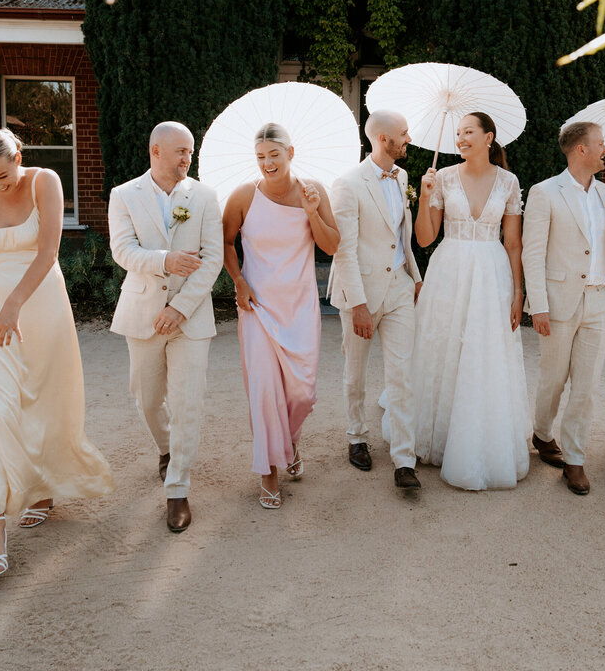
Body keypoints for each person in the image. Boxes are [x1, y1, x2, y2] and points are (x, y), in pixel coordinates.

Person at [0, 129, 113, 576]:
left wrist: (15, 302)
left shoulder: (45, 180)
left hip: (39, 302)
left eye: (3, 176)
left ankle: (43, 488)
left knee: (43, 400)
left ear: (19, 158)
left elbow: (48, 252)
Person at [108, 122, 223, 532]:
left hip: (190, 318)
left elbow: (212, 259)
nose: (185, 158)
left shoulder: (206, 196)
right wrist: (165, 260)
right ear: (155, 150)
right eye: (179, 151)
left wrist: (180, 307)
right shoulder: (123, 195)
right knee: (147, 398)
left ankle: (178, 488)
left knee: (188, 401)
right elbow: (122, 249)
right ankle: (165, 448)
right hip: (142, 313)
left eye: (189, 151)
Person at [410, 112, 530, 491]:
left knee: (485, 354)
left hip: (493, 273)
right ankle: (439, 439)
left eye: (467, 132)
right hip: (449, 270)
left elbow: (513, 243)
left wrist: (518, 291)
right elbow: (426, 239)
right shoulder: (442, 177)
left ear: (488, 137)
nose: (460, 139)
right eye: (457, 133)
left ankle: (479, 441)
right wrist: (425, 197)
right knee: (442, 349)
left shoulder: (509, 182)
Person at [222, 123, 340, 509]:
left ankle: (288, 442)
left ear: (291, 152)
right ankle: (269, 470)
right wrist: (238, 280)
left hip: (300, 305)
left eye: (274, 154)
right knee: (264, 390)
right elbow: (225, 241)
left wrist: (312, 212)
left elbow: (332, 245)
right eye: (260, 157)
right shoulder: (243, 196)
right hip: (257, 305)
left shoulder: (313, 191)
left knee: (302, 392)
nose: (267, 163)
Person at [523, 121, 605, 496]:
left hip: (599, 299)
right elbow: (533, 253)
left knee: (585, 386)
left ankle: (574, 459)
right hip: (557, 301)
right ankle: (541, 434)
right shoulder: (544, 192)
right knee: (553, 380)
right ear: (580, 150)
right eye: (600, 144)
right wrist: (536, 305)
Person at [328, 110, 423, 490]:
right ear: (383, 139)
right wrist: (358, 304)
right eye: (403, 134)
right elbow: (343, 250)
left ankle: (404, 459)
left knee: (402, 374)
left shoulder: (402, 177)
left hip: (399, 286)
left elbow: (402, 235)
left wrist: (414, 277)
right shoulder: (348, 184)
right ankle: (356, 436)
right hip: (361, 291)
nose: (408, 139)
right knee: (356, 371)